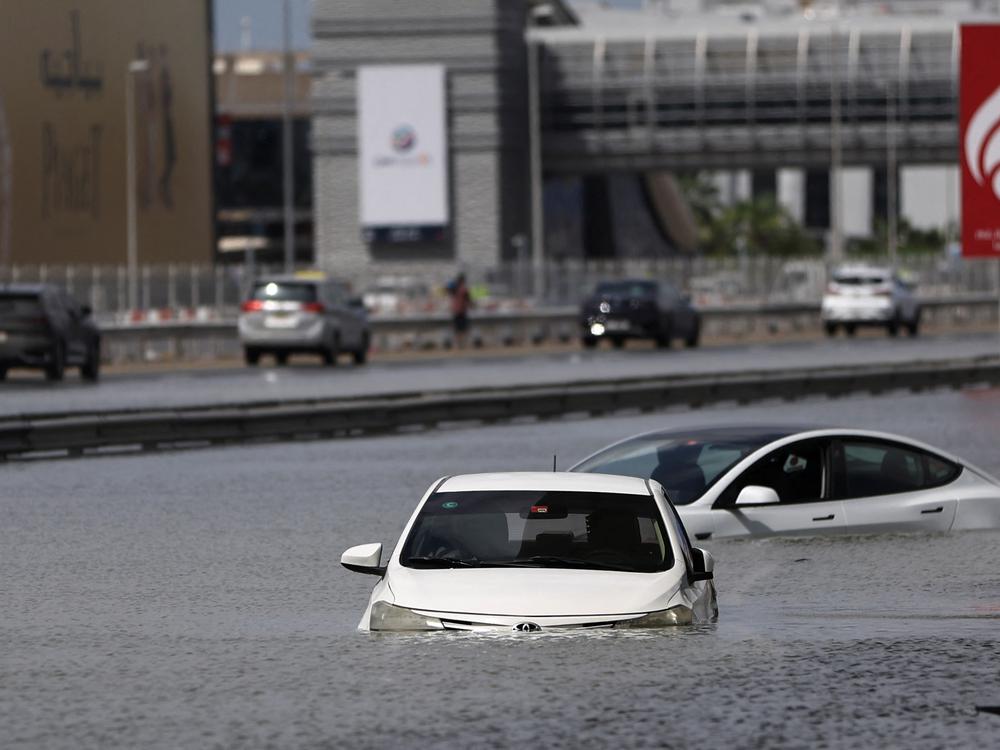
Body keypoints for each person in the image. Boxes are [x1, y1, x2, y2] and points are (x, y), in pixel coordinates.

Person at [448, 273, 473, 348]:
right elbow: (468, 300)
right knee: (463, 328)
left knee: (457, 329)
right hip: (462, 310)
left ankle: (459, 344)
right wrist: (472, 305)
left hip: (455, 310)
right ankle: (463, 344)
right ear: (463, 281)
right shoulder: (464, 289)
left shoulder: (454, 289)